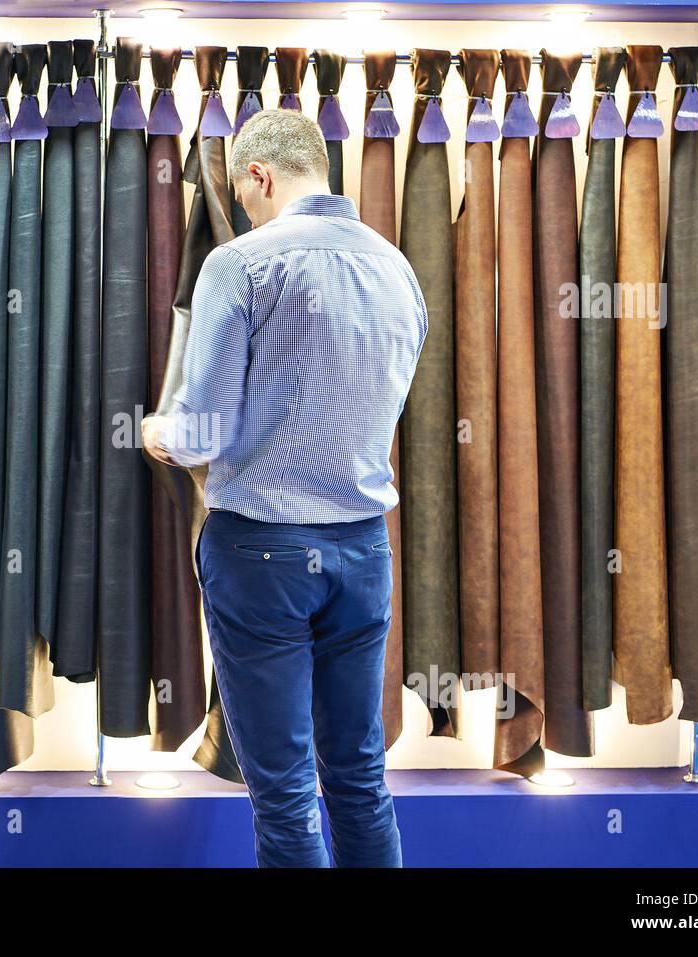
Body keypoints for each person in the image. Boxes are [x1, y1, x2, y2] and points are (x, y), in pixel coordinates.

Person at [141, 108, 427, 868]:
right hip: (365, 552)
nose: (244, 211)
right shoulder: (397, 269)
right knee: (361, 779)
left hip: (262, 552)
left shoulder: (239, 265)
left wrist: (157, 433)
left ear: (259, 176)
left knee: (285, 794)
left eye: (243, 196)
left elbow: (203, 432)